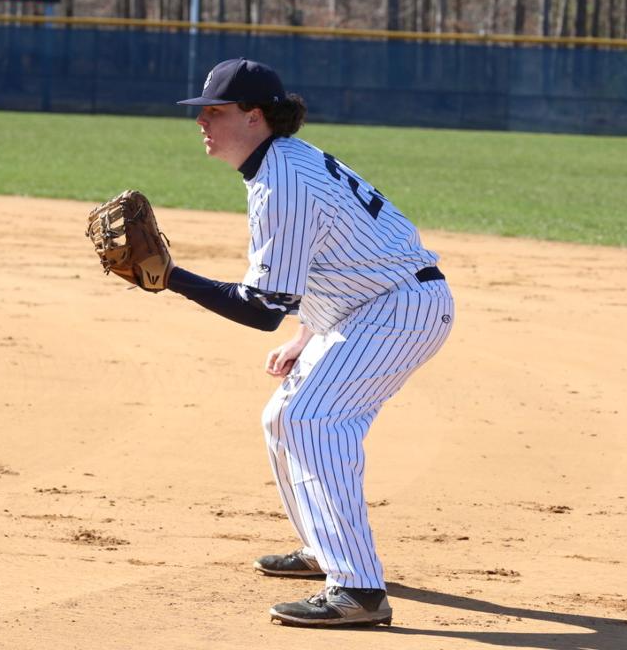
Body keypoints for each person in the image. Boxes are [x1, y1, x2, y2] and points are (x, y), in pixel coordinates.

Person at [166, 57, 455, 628]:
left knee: (311, 419)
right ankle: (326, 550)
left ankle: (358, 591)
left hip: (397, 310)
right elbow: (332, 262)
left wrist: (170, 277)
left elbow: (259, 310)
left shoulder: (282, 181)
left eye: (214, 111)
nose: (201, 121)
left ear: (254, 117)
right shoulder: (284, 163)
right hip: (371, 304)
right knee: (282, 418)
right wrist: (309, 333)